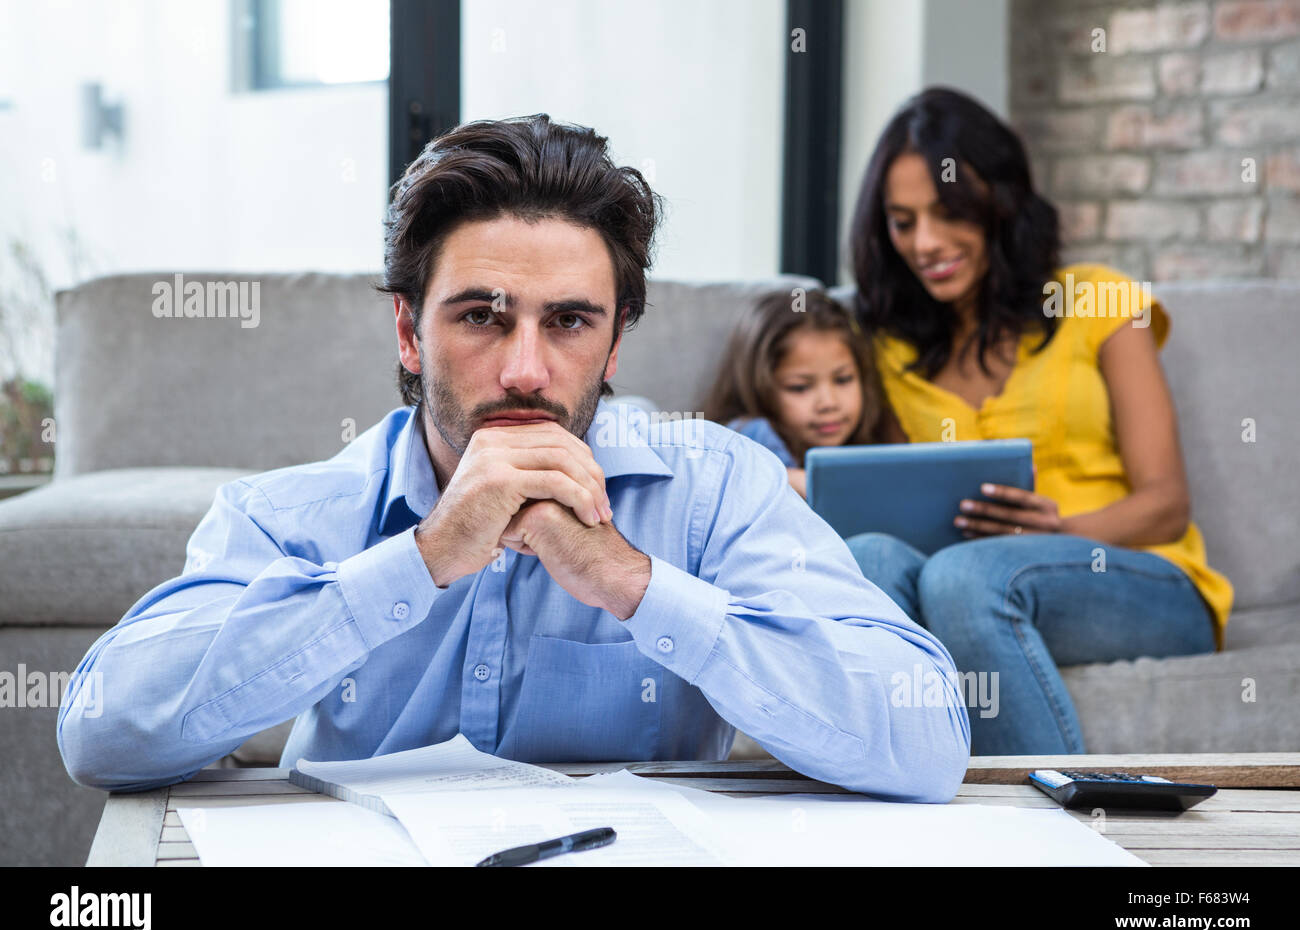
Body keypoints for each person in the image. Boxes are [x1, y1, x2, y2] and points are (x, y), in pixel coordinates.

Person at [58, 114, 970, 801]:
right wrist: (420, 561)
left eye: (569, 321)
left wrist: (634, 584)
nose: (526, 370)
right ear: (411, 331)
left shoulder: (716, 490)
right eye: (481, 316)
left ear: (614, 349)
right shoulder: (286, 516)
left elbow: (927, 740)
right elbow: (101, 732)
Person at [844, 88, 1233, 756]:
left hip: (1137, 575)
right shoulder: (885, 349)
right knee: (870, 559)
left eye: (948, 211)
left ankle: (1050, 840)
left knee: (965, 579)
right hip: (964, 578)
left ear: (1000, 200)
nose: (926, 242)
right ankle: (892, 817)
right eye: (903, 221)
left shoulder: (1098, 300)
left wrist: (1058, 530)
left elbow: (1166, 505)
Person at [702, 288, 901, 498]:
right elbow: (726, 477)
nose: (828, 403)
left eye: (843, 380)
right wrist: (793, 480)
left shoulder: (871, 442)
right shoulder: (751, 434)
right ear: (759, 388)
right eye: (800, 387)